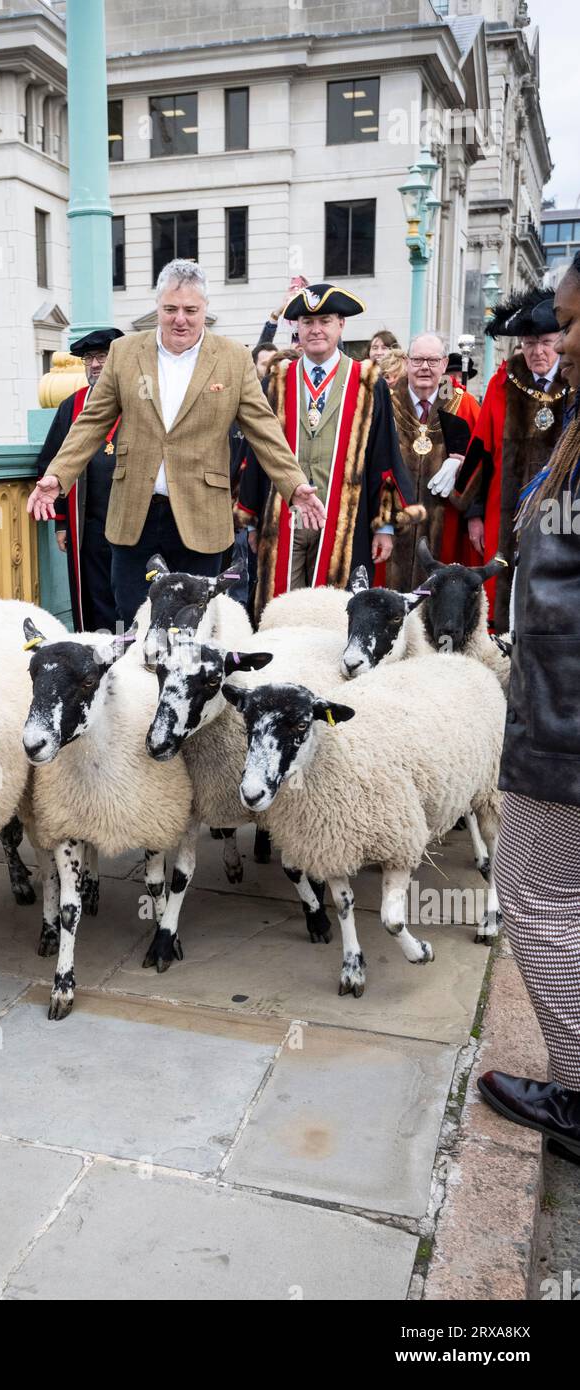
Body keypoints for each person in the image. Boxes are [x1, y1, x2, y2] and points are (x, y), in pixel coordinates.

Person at [26, 259, 325, 627]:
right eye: (170, 309)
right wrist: (58, 476)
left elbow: (263, 429)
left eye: (190, 310)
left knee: (192, 626)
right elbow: (91, 422)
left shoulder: (232, 358)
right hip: (134, 515)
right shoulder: (124, 352)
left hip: (201, 517)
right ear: (158, 309)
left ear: (204, 310)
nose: (179, 319)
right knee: (133, 623)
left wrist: (294, 485)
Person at [476, 251, 580, 1162]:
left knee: (534, 890)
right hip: (553, 692)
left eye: (575, 324)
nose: (563, 339)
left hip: (566, 719)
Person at [235, 282, 423, 618]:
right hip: (283, 518)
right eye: (308, 322)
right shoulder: (277, 379)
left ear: (341, 325)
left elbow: (384, 455)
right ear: (297, 329)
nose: (316, 329)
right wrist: (249, 518)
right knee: (280, 615)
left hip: (344, 519)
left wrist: (384, 526)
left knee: (334, 617)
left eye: (325, 321)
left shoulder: (367, 381)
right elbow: (256, 449)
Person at [452, 288, 570, 632]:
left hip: (563, 512)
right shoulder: (502, 383)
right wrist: (473, 515)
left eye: (546, 342)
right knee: (501, 593)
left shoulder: (575, 383)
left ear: (561, 338)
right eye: (529, 343)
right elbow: (479, 454)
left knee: (555, 589)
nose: (537, 351)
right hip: (502, 512)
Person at [35, 327, 123, 631]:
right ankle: (99, 655)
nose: (95, 364)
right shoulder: (72, 405)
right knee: (95, 596)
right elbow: (50, 463)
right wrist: (61, 521)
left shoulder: (140, 399)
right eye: (89, 359)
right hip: (88, 522)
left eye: (102, 356)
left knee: (132, 594)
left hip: (136, 518)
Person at [386, 331, 480, 590]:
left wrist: (462, 468)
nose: (424, 367)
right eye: (417, 360)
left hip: (446, 524)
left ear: (443, 363)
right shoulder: (385, 402)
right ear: (406, 362)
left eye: (432, 360)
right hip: (393, 524)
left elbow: (484, 467)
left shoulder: (465, 406)